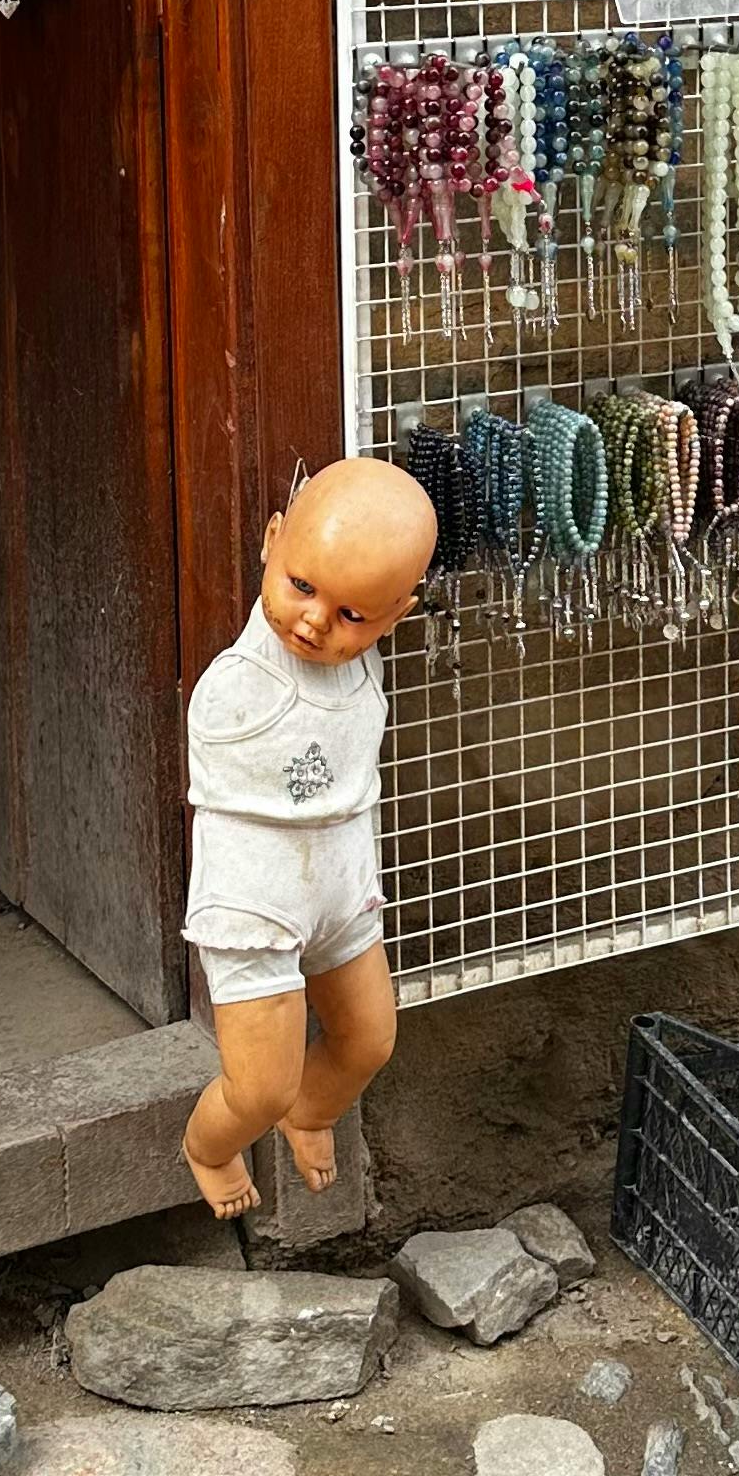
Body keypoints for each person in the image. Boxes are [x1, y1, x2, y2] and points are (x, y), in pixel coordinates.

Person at [181, 454, 437, 1219]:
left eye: (355, 614)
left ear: (398, 614)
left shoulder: (359, 658)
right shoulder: (239, 682)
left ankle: (313, 1111)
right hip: (257, 898)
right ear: (271, 541)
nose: (315, 621)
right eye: (302, 586)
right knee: (261, 1082)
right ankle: (209, 1145)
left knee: (367, 1042)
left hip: (340, 885)